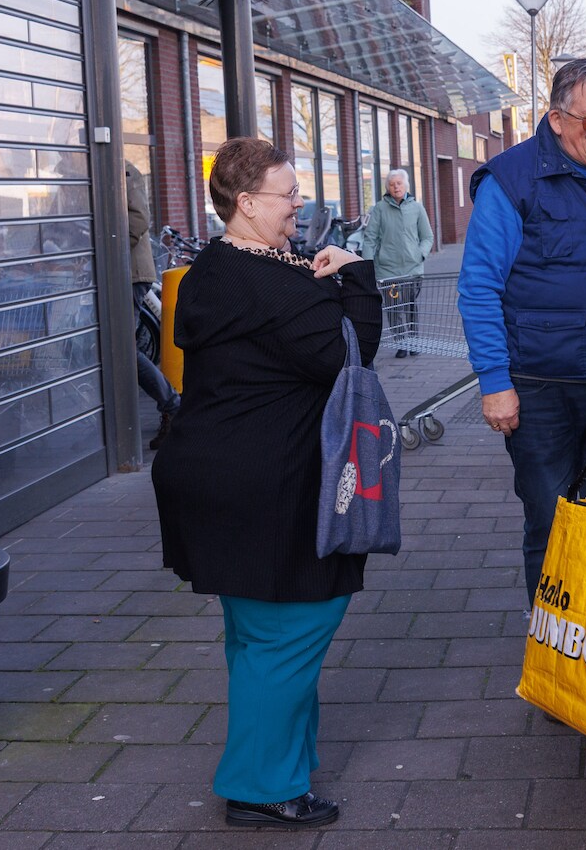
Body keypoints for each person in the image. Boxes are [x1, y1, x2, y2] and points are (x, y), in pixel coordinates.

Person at [151, 138, 381, 829]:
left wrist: (318, 280)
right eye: (289, 193)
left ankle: (285, 766)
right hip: (269, 484)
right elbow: (350, 357)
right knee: (292, 629)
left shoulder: (215, 268)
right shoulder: (273, 282)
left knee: (258, 634)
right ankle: (261, 787)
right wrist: (356, 277)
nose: (300, 203)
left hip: (220, 476)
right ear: (247, 203)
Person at [457, 58, 586, 606]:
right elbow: (478, 287)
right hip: (541, 391)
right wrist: (494, 382)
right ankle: (559, 643)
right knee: (552, 523)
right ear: (558, 119)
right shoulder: (511, 179)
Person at [125, 161, 180, 449]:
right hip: (118, 274)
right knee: (120, 350)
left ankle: (172, 405)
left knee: (124, 350)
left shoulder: (122, 170)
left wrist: (107, 251)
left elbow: (138, 220)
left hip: (130, 273)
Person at [361, 168, 434, 359]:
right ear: (388, 188)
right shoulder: (379, 209)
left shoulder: (417, 208)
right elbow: (369, 239)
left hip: (412, 269)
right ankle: (401, 343)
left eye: (399, 183)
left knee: (410, 306)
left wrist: (420, 255)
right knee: (393, 310)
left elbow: (427, 237)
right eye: (392, 184)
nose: (396, 187)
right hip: (388, 270)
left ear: (406, 185)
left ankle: (414, 342)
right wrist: (367, 266)